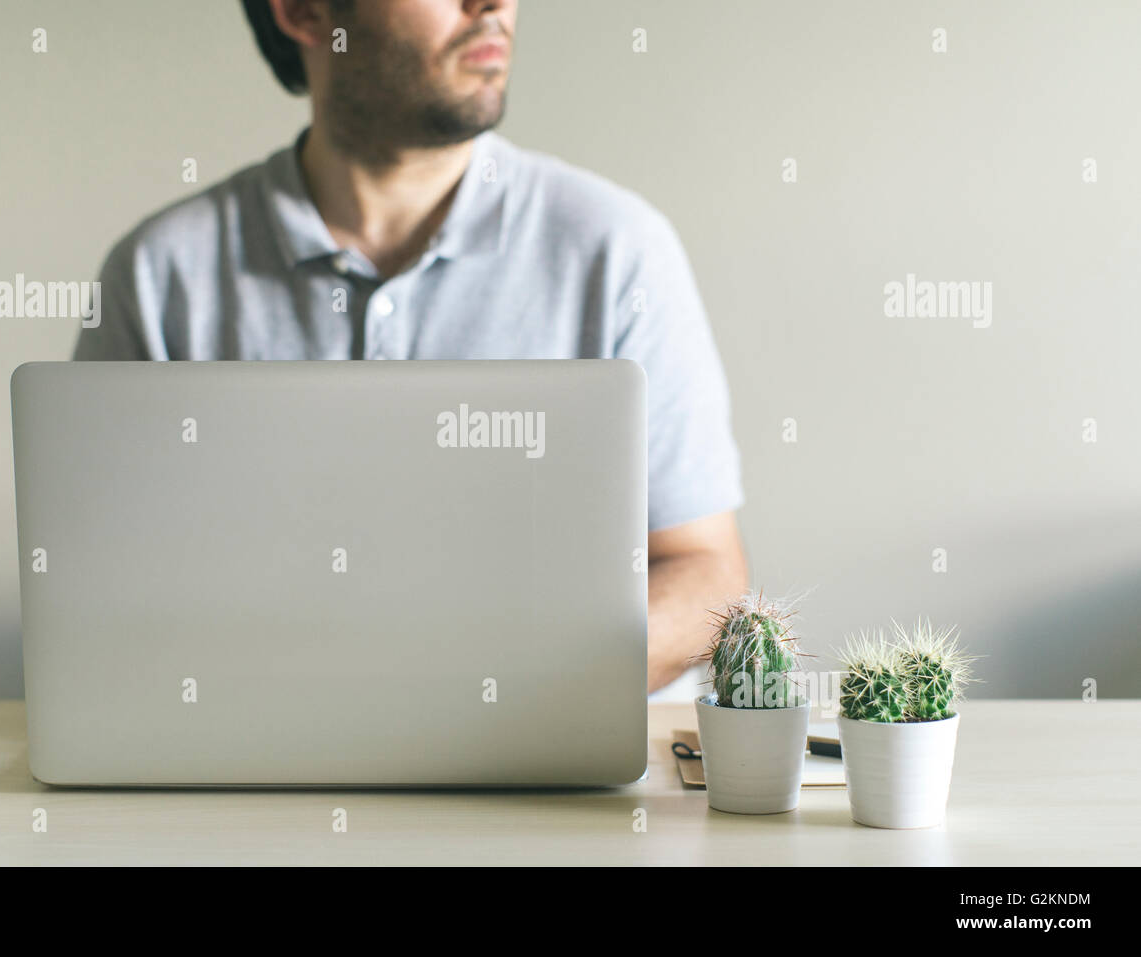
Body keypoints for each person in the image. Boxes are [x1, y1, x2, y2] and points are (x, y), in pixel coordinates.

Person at [74, 0, 748, 693]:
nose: (493, 4)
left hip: (543, 751)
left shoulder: (618, 251)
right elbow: (94, 590)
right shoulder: (160, 275)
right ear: (303, 12)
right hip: (256, 742)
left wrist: (491, 697)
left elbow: (706, 572)